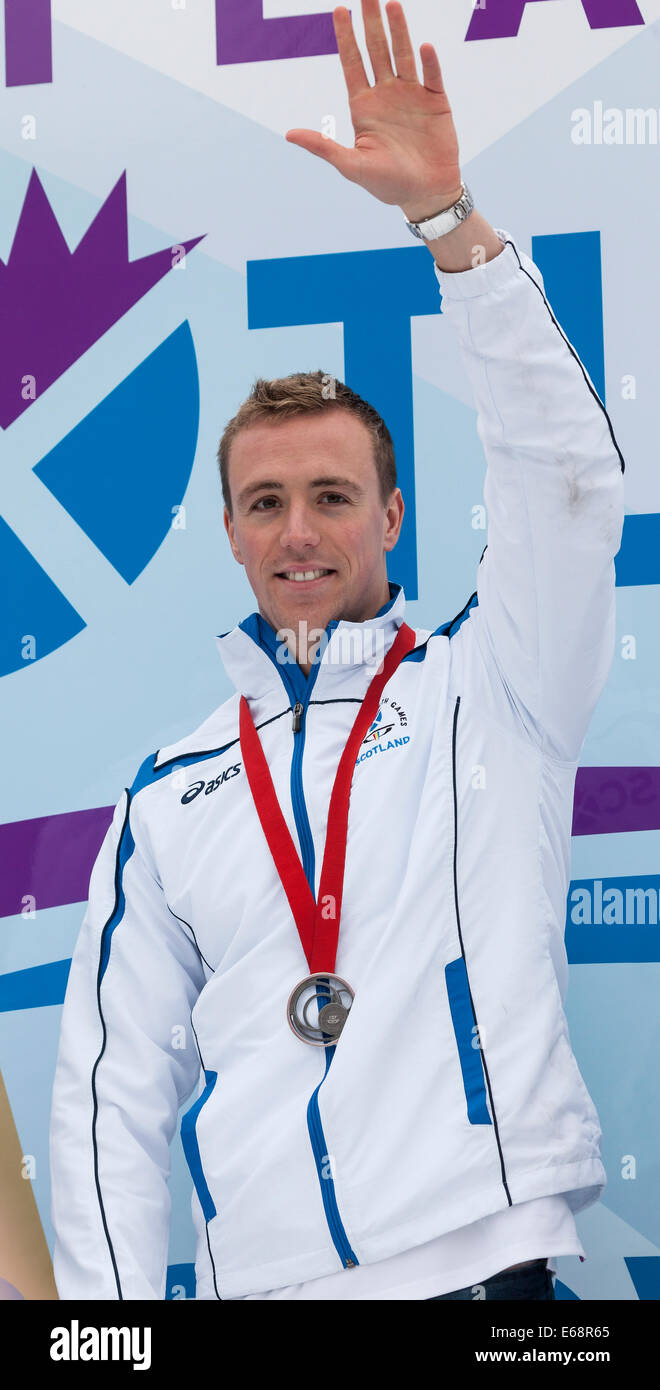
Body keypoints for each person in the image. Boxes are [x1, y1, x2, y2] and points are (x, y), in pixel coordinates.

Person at [49, 0, 625, 1301]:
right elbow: (111, 1091)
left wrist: (451, 227)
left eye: (331, 495)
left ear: (392, 515)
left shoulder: (499, 689)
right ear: (235, 535)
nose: (299, 530)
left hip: (499, 1280)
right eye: (266, 502)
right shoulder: (168, 793)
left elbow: (569, 479)